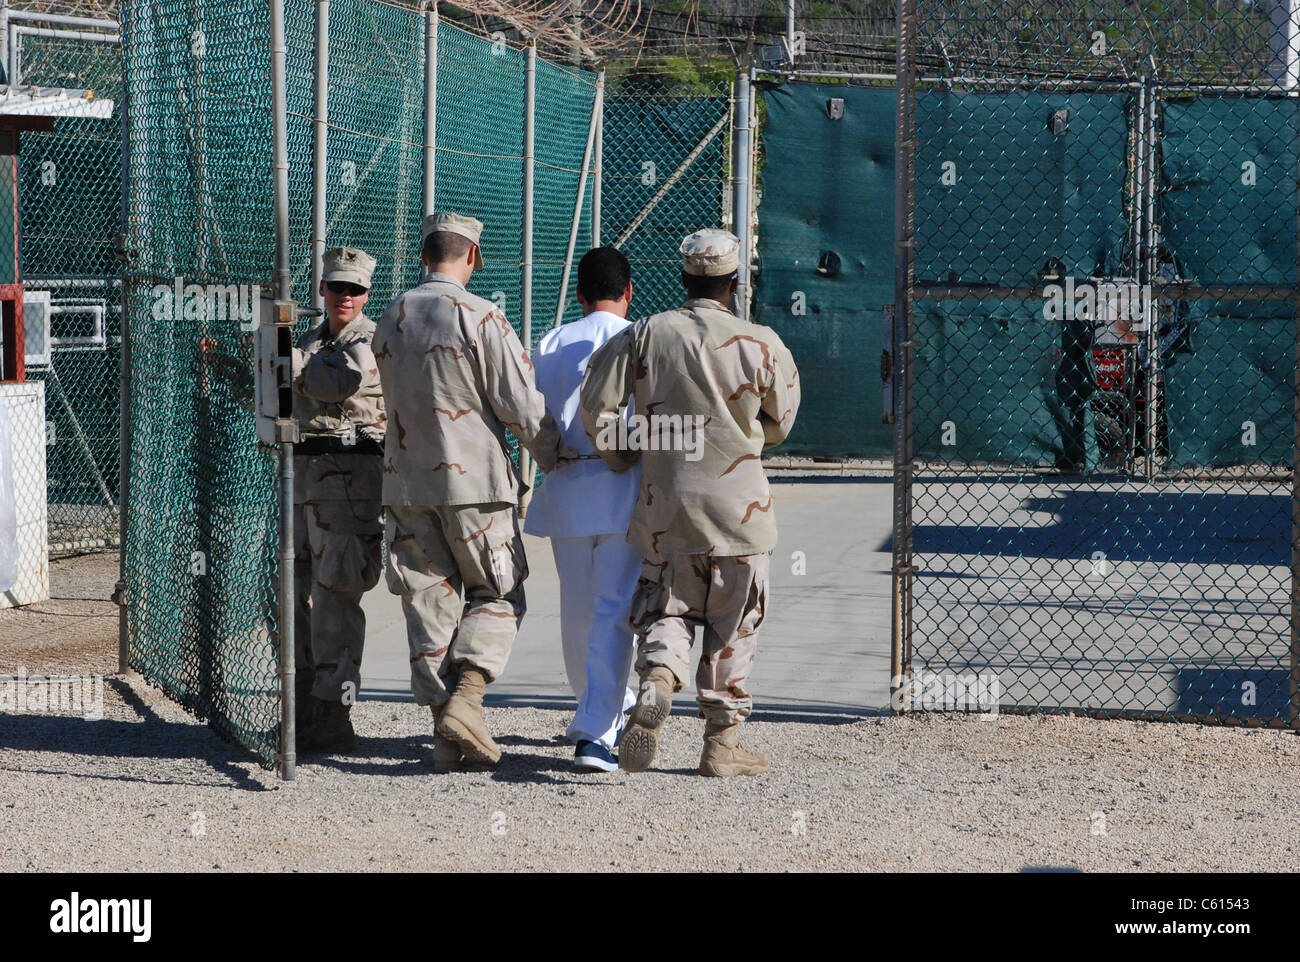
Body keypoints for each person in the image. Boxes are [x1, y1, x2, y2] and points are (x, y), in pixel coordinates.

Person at [579, 228, 801, 777]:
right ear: (734, 283)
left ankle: (658, 677)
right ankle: (721, 743)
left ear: (683, 277)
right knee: (735, 619)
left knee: (667, 606)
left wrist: (627, 453)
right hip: (740, 507)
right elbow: (782, 422)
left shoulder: (645, 333)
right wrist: (745, 436)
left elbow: (595, 405)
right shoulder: (764, 341)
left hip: (666, 507)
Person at [373, 212, 572, 771]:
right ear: (473, 258)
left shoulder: (390, 316)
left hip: (407, 483)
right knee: (499, 593)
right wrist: (556, 454)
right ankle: (469, 697)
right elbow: (520, 404)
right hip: (475, 484)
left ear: (423, 256)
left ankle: (445, 734)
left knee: (429, 603)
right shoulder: (482, 316)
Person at [524, 247, 643, 773]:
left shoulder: (549, 342)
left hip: (567, 485)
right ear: (629, 291)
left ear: (579, 293)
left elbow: (530, 413)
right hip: (624, 486)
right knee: (614, 609)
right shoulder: (642, 339)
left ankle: (593, 708)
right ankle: (598, 729)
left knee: (577, 608)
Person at [291, 246, 386, 753]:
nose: (344, 296)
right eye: (336, 287)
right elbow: (275, 390)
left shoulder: (370, 341)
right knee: (290, 591)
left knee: (337, 595)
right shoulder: (308, 339)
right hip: (303, 482)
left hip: (349, 487)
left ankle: (334, 711)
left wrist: (281, 359)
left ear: (367, 294)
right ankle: (305, 703)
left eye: (354, 289)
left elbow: (339, 382)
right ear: (323, 289)